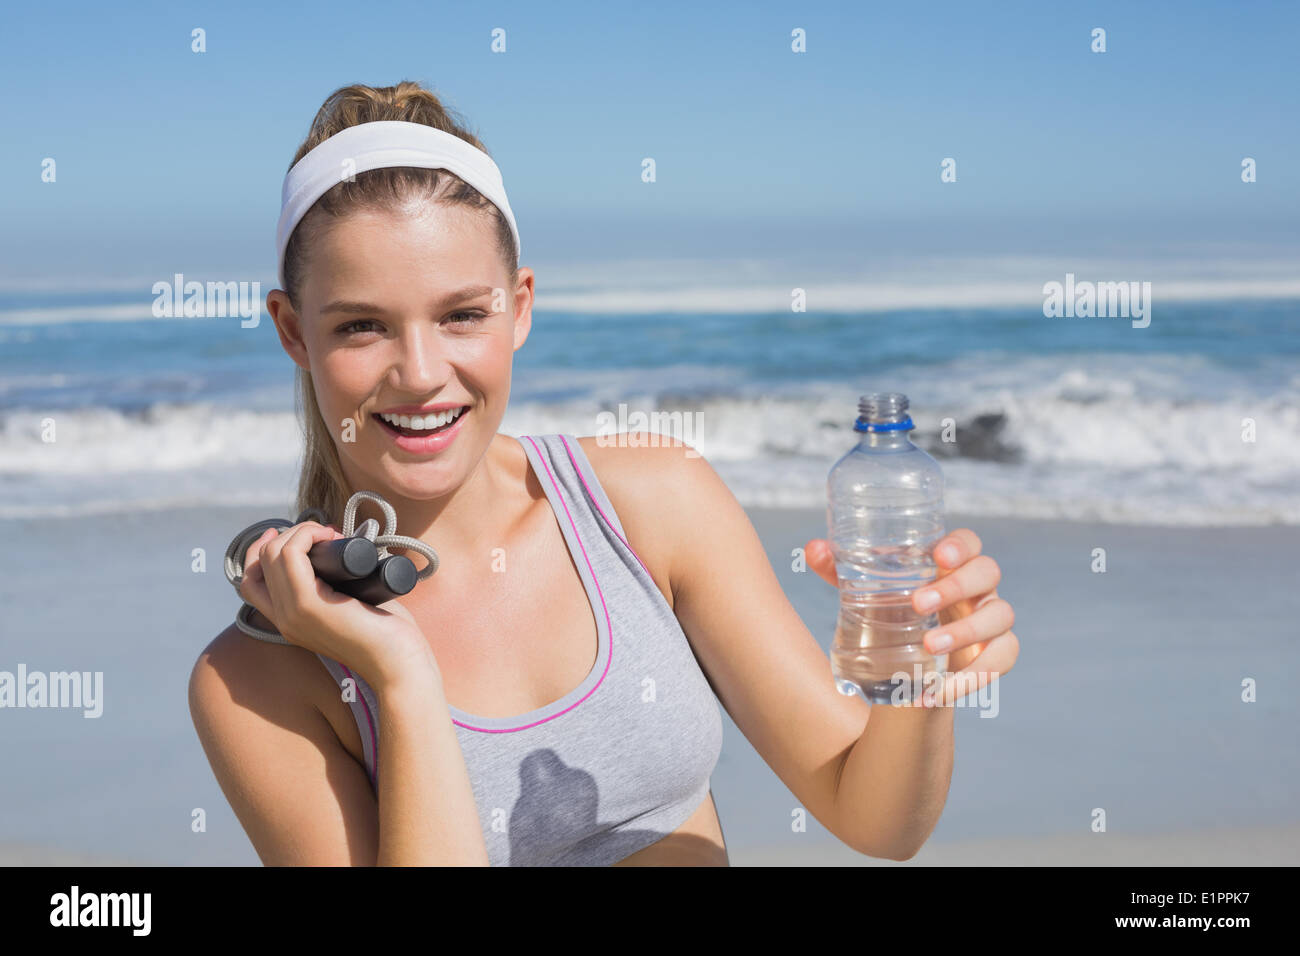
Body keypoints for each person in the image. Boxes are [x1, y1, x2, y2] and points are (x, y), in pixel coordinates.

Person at [188, 80, 1019, 866]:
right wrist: (401, 680)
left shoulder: (649, 501)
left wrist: (921, 681)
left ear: (519, 308)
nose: (420, 372)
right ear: (293, 333)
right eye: (363, 326)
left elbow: (871, 817)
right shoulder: (259, 677)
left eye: (462, 316)